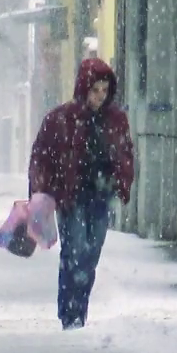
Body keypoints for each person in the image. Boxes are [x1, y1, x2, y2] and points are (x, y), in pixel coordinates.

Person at [28, 57, 135, 330]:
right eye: (95, 89)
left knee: (91, 254)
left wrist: (121, 181)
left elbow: (125, 153)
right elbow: (42, 155)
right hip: (71, 196)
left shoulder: (116, 120)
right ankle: (71, 312)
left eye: (104, 91)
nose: (100, 96)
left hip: (101, 196)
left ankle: (78, 307)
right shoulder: (62, 119)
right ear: (84, 87)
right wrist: (40, 193)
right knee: (75, 251)